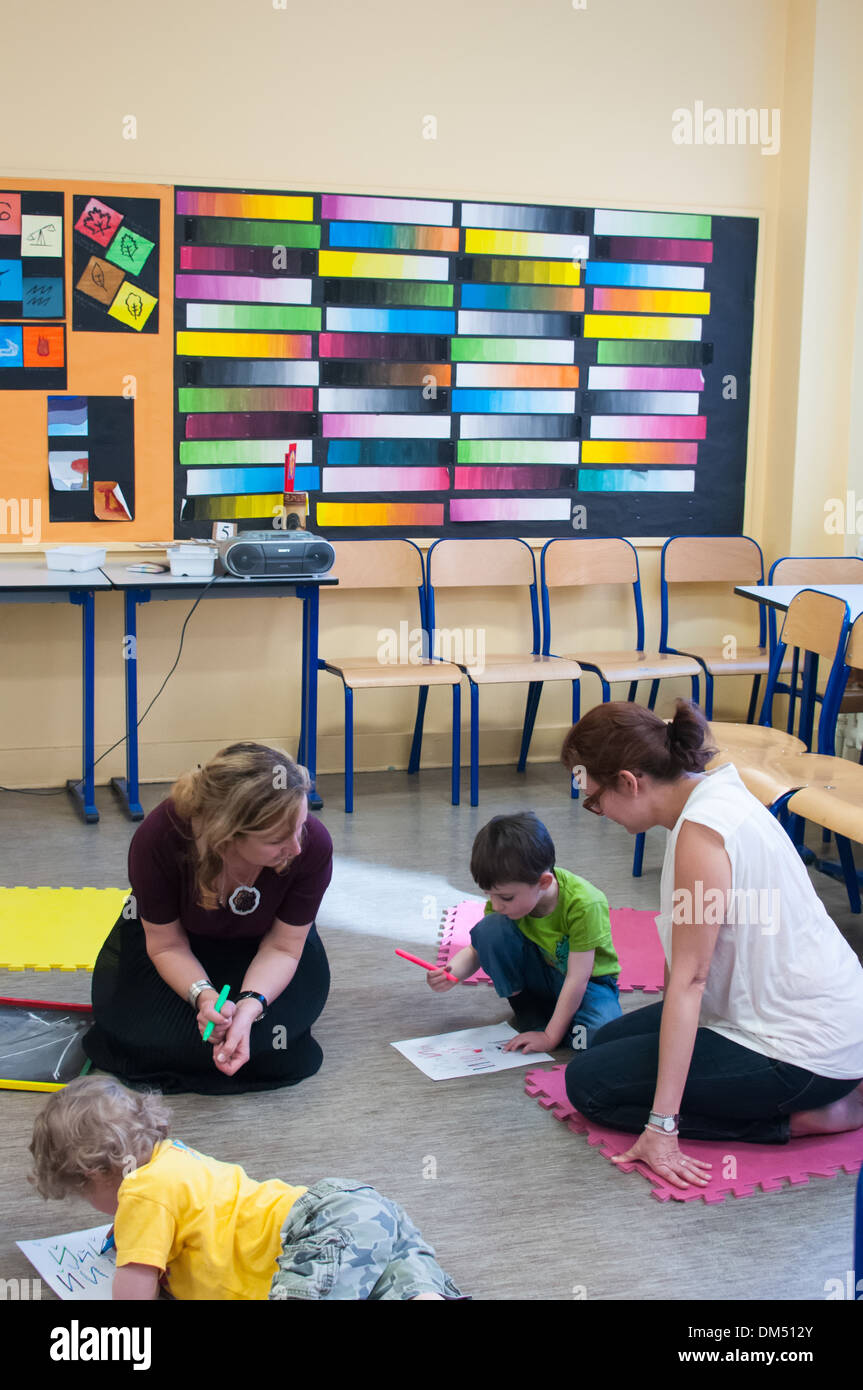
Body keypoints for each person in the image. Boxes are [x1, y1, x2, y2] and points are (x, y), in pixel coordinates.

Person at [560, 700, 863, 1192]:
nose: (596, 812)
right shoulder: (714, 791)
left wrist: (662, 1127)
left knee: (590, 1086)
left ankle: (818, 1114)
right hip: (823, 1020)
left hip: (800, 1052)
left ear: (629, 782)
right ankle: (834, 1082)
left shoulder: (701, 836)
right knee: (604, 1043)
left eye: (594, 800)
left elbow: (690, 980)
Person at [29, 1076, 464, 1301]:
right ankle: (421, 1293)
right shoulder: (174, 1157)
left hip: (311, 1232)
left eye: (86, 1197)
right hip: (353, 1209)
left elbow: (133, 1289)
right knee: (387, 1268)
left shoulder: (141, 1192)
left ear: (94, 1173)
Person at [83, 743, 332, 1095]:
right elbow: (167, 944)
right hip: (177, 947)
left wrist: (250, 1007)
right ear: (227, 835)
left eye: (301, 826)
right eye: (276, 840)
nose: (296, 848)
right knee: (137, 1038)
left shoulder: (313, 845)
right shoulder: (160, 836)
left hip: (262, 948)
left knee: (274, 1048)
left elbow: (283, 947)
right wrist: (203, 997)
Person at [427, 812, 621, 1051]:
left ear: (544, 883)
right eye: (490, 896)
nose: (496, 905)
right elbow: (478, 948)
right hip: (539, 978)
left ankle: (553, 1024)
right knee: (491, 928)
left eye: (506, 897)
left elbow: (577, 979)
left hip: (588, 984)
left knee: (595, 1038)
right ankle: (530, 1010)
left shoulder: (585, 903)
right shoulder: (505, 900)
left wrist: (550, 1037)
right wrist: (452, 973)